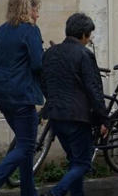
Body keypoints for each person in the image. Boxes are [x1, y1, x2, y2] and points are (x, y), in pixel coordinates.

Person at [0, 0, 44, 196]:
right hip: (21, 95)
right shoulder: (30, 30)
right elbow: (38, 64)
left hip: (0, 95)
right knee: (26, 146)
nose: (37, 14)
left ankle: (28, 192)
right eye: (35, 9)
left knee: (24, 144)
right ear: (26, 9)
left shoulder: (1, 30)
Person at [40, 13, 109, 196]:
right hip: (77, 118)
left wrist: (53, 99)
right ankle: (56, 192)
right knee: (83, 163)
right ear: (84, 34)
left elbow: (43, 82)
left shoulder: (50, 53)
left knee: (75, 161)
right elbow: (94, 88)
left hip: (55, 115)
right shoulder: (84, 54)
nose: (89, 40)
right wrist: (104, 119)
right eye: (89, 36)